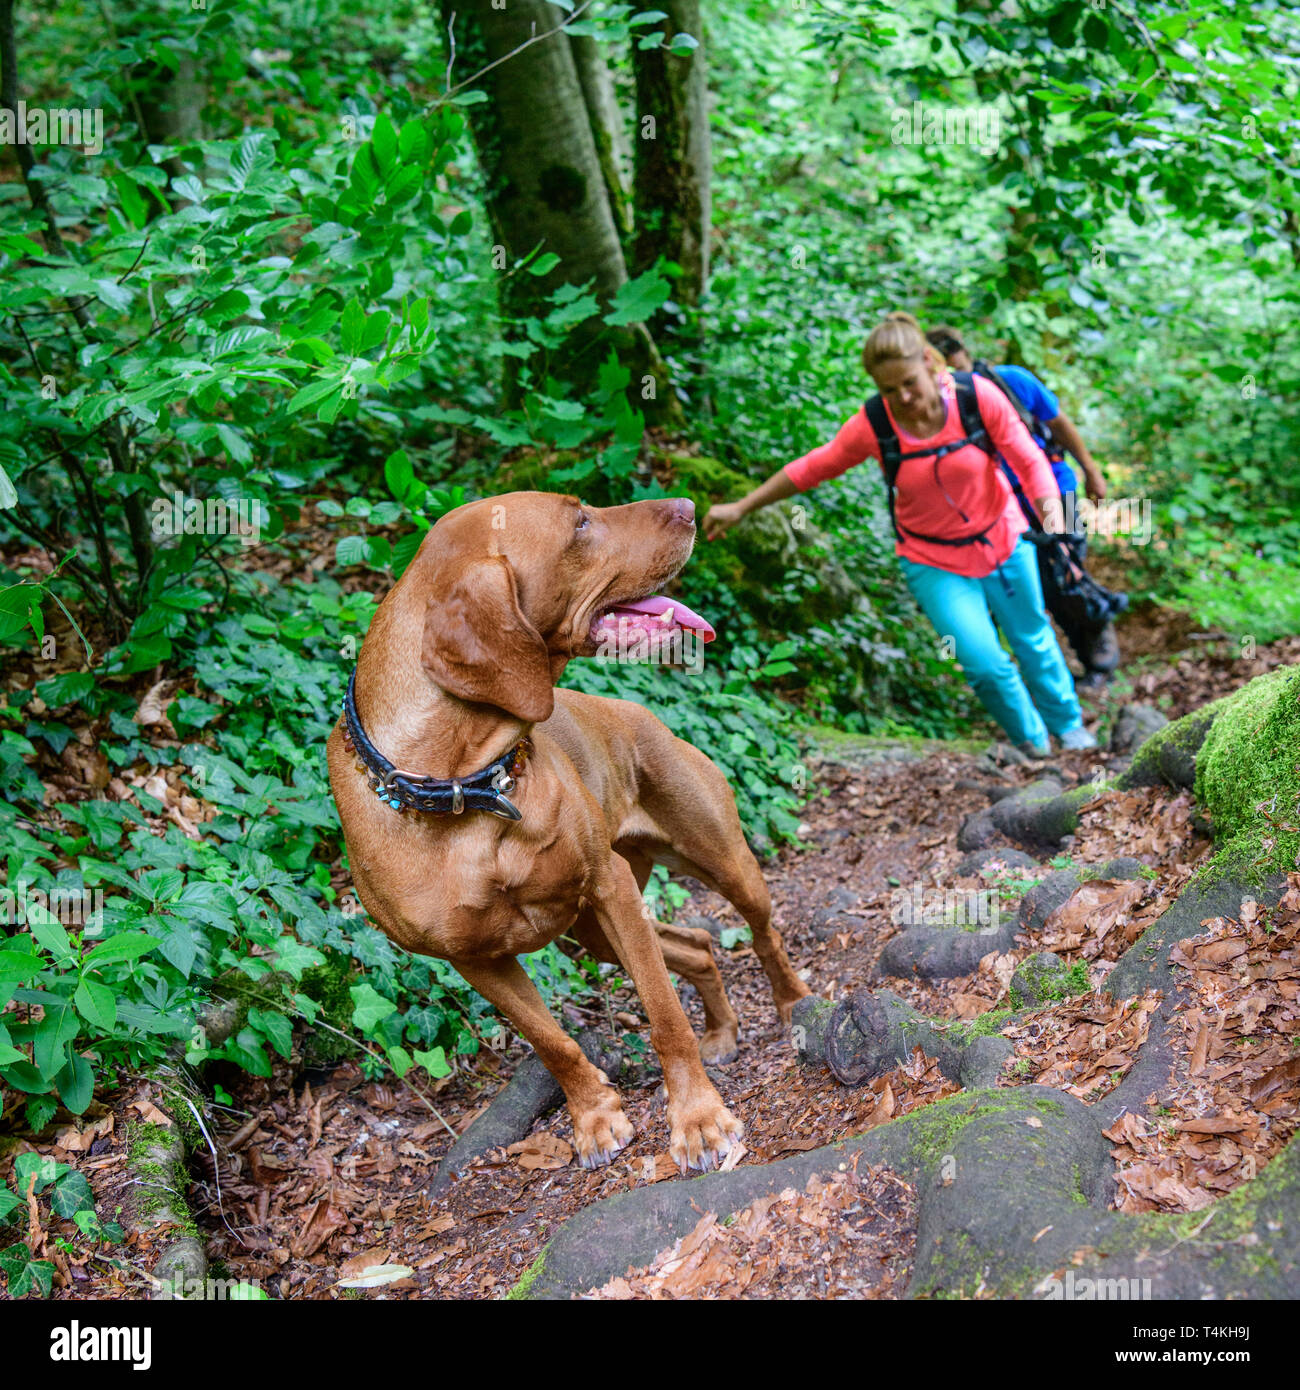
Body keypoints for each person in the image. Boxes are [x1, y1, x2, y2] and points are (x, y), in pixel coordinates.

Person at [703, 311, 1097, 757]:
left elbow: (1028, 458)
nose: (903, 397)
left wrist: (1051, 511)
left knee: (1033, 639)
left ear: (930, 361)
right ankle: (1032, 746)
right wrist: (743, 506)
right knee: (983, 662)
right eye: (888, 390)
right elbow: (813, 467)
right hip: (932, 559)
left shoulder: (978, 398)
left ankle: (1069, 727)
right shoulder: (876, 423)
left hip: (1003, 538)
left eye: (909, 382)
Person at [925, 326, 1121, 687]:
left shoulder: (1012, 381)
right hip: (1001, 504)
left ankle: (1098, 656)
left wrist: (1092, 471)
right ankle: (1049, 671)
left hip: (1054, 489)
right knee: (1030, 581)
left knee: (1065, 572)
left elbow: (1058, 422)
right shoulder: (942, 403)